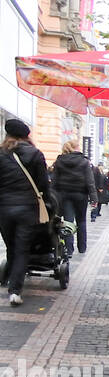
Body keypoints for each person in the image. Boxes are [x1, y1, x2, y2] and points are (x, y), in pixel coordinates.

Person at [0, 120, 48, 306]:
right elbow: (43, 184)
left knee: (11, 246)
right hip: (27, 209)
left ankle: (9, 278)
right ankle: (15, 291)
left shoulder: (1, 154)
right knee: (22, 249)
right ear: (26, 135)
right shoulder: (35, 154)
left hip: (3, 208)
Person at [51, 141, 97, 254]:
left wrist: (53, 196)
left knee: (68, 221)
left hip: (65, 195)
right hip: (81, 195)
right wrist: (94, 198)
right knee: (81, 221)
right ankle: (82, 248)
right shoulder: (84, 161)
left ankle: (69, 249)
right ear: (75, 148)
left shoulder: (59, 161)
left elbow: (54, 181)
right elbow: (90, 181)